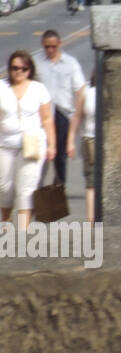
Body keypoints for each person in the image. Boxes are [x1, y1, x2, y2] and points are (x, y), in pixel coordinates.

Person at [0, 50, 56, 230]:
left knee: (26, 188)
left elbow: (47, 119)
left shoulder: (38, 89)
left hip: (32, 142)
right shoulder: (2, 87)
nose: (19, 72)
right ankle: (6, 221)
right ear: (9, 69)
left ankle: (22, 233)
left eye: (24, 69)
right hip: (5, 144)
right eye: (15, 68)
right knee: (5, 188)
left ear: (30, 70)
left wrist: (52, 144)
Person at [33, 31, 84, 188]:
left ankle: (60, 184)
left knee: (60, 156)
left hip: (62, 113)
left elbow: (80, 89)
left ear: (59, 44)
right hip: (41, 114)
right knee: (41, 154)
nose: (50, 50)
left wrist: (78, 113)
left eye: (53, 47)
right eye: (47, 47)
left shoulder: (70, 63)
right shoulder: (36, 62)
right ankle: (36, 187)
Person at [67, 70, 96, 222]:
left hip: (110, 142)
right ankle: (92, 221)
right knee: (91, 182)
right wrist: (71, 140)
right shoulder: (87, 92)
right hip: (90, 140)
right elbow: (77, 116)